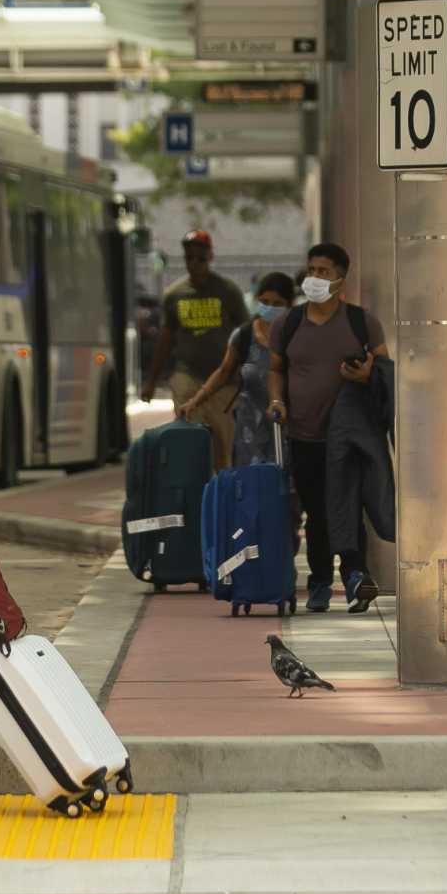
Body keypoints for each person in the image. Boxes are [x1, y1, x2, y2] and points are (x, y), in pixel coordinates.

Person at [268, 243, 390, 614]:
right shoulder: (288, 324)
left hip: (349, 434)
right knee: (317, 512)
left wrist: (368, 373)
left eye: (323, 271)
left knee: (349, 506)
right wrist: (277, 401)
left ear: (341, 278)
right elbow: (276, 369)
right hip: (304, 434)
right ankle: (320, 580)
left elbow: (384, 368)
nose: (315, 278)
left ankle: (355, 576)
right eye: (311, 270)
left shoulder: (360, 321)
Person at [140, 230, 249, 471]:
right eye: (189, 258)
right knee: (190, 441)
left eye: (200, 258)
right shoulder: (175, 295)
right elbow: (165, 340)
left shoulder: (227, 291)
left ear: (210, 257)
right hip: (187, 375)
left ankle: (222, 498)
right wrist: (151, 380)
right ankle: (192, 494)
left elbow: (245, 333)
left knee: (223, 447)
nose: (194, 264)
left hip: (223, 378)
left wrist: (245, 372)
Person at [178, 271, 296, 468]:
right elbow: (224, 371)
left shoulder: (297, 336)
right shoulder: (244, 335)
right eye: (265, 301)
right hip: (249, 428)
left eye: (277, 304)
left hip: (290, 425)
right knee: (250, 484)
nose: (269, 308)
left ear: (289, 305)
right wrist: (195, 400)